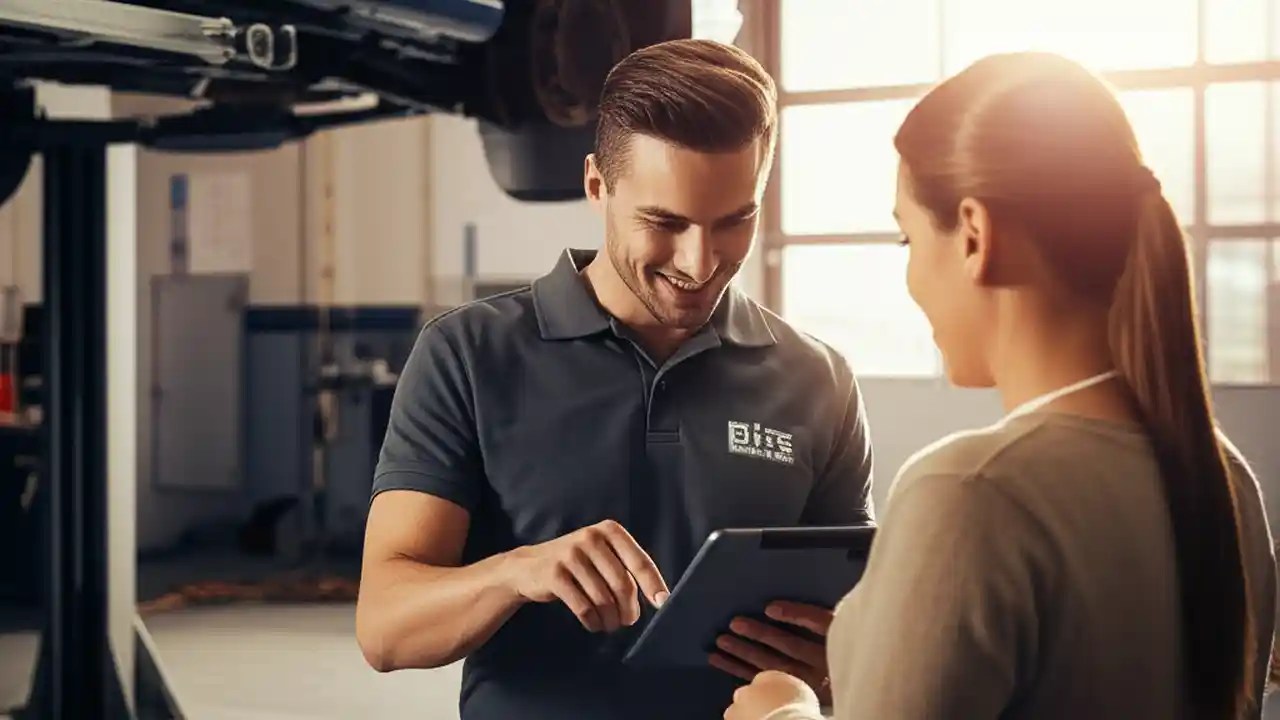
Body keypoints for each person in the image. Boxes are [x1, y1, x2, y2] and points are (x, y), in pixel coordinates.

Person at [726, 51, 1277, 720]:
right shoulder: (1226, 477)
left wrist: (784, 712)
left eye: (908, 240)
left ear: (974, 236)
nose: (911, 279)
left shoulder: (969, 492)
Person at [355, 39, 875, 720]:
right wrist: (517, 572)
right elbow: (386, 629)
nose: (700, 262)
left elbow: (862, 629)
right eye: (665, 223)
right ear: (597, 186)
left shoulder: (819, 378)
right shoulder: (468, 355)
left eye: (735, 221)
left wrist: (834, 666)